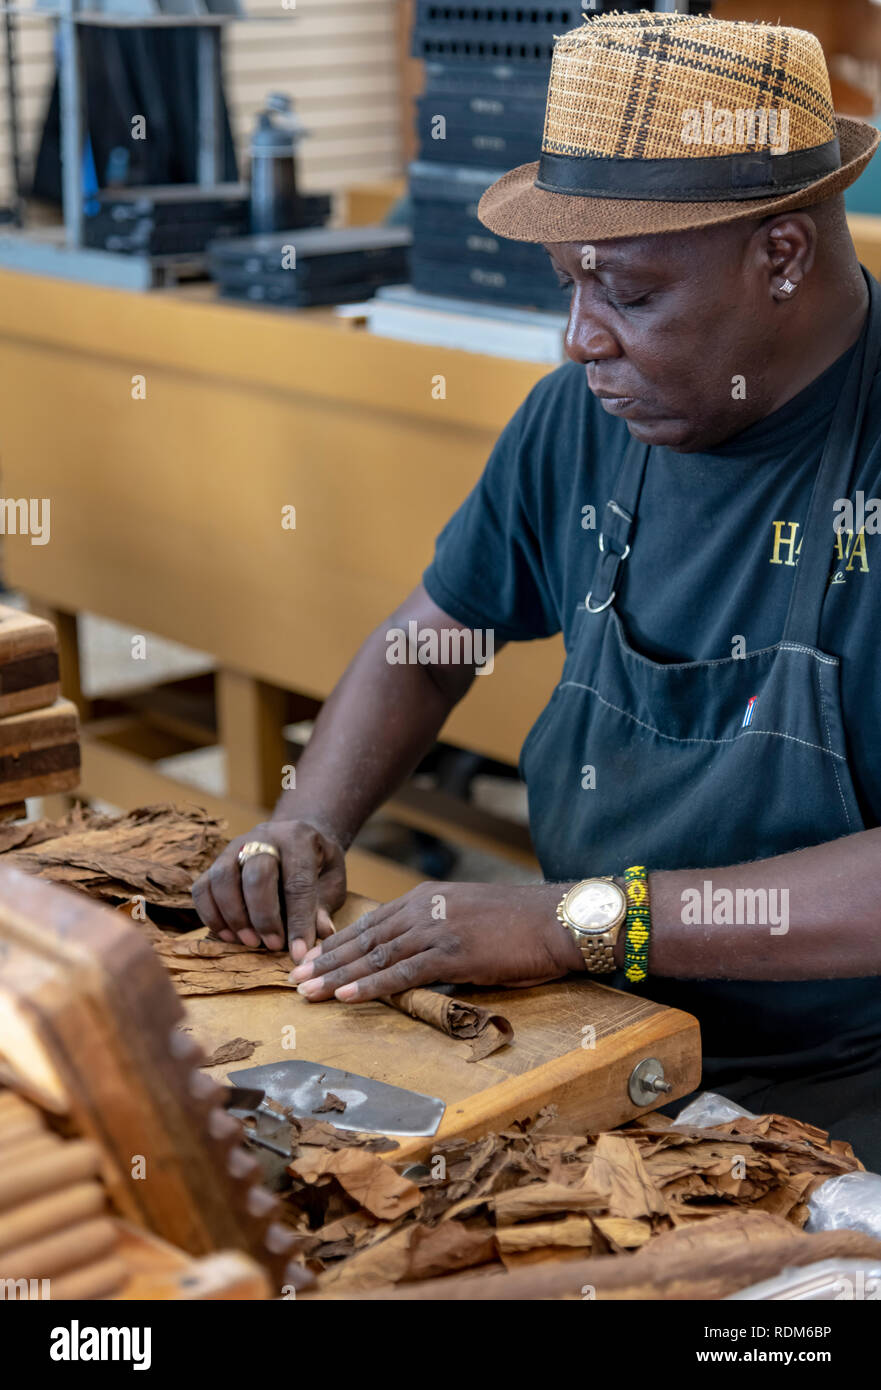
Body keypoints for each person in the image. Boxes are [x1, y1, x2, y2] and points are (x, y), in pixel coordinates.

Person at [193, 13, 881, 1164]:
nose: (578, 339)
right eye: (566, 284)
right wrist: (309, 814)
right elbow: (438, 634)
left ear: (780, 254)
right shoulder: (580, 420)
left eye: (628, 295)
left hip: (843, 1076)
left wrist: (577, 919)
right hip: (598, 1021)